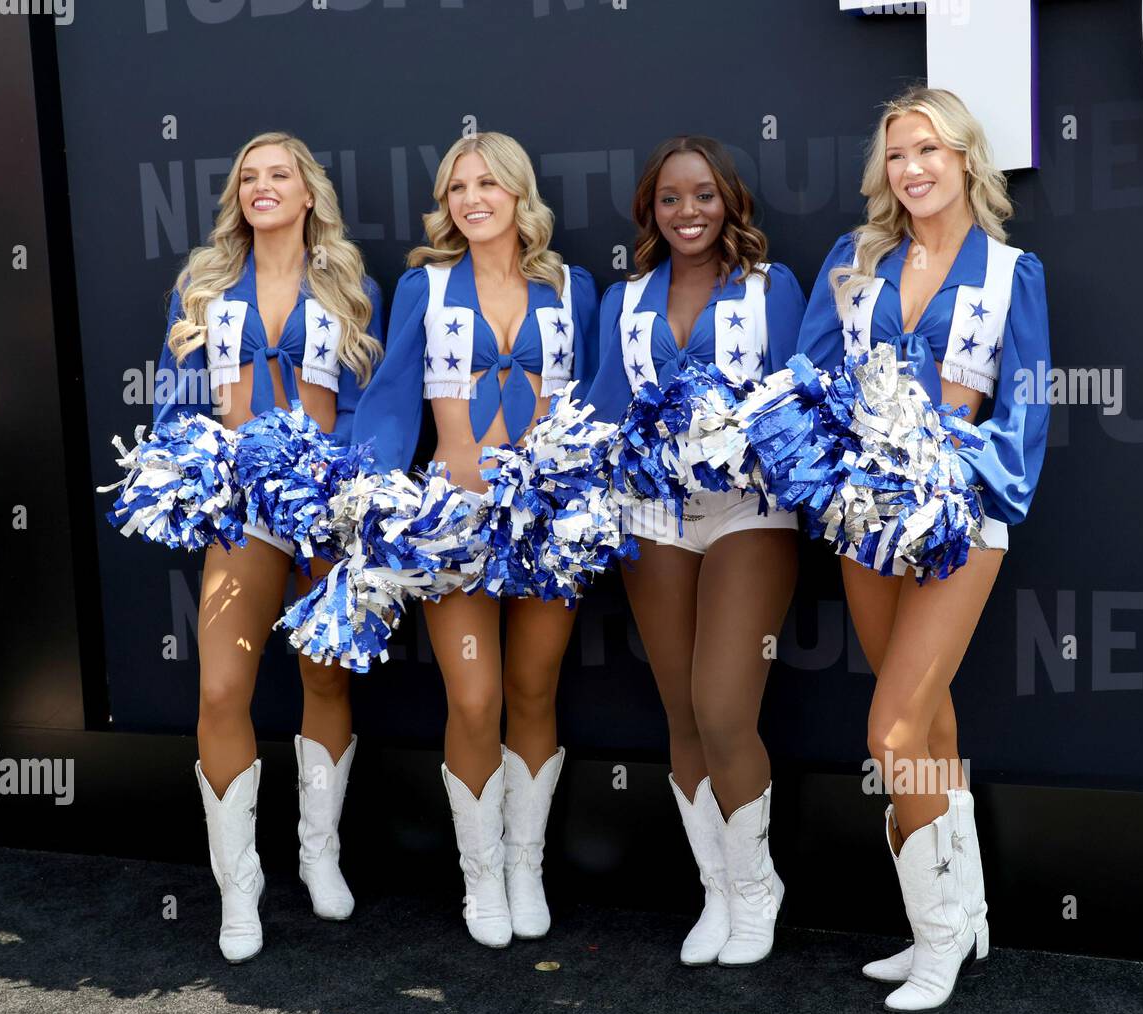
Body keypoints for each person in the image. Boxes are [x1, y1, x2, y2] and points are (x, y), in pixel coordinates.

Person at [796, 87, 1052, 1010]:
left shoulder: (1012, 274)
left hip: (959, 516)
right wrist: (841, 463)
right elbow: (808, 374)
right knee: (930, 724)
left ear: (968, 162)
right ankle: (964, 913)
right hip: (867, 518)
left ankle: (934, 940)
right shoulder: (855, 260)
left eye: (931, 150)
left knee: (891, 734)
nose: (913, 168)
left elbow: (1026, 410)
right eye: (898, 154)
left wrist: (956, 463)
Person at [351, 132, 598, 948]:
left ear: (520, 193)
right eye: (459, 187)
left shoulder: (573, 286)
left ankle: (526, 866)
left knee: (534, 694)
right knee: (474, 697)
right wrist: (375, 489)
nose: (472, 198)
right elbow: (389, 402)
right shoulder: (424, 285)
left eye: (489, 183)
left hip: (547, 522)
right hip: (453, 517)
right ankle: (481, 875)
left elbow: (598, 399)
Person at [154, 131, 383, 962]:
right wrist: (193, 462)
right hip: (243, 506)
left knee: (323, 677)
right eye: (248, 177)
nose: (262, 187)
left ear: (309, 192)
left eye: (278, 174)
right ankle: (238, 887)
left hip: (323, 504)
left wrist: (343, 484)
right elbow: (174, 400)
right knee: (222, 689)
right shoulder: (203, 285)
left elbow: (371, 402)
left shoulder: (352, 286)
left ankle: (318, 855)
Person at [585, 136, 806, 967]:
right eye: (671, 199)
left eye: (704, 196)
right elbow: (607, 405)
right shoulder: (624, 298)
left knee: (721, 705)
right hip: (654, 515)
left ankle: (758, 891)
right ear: (651, 209)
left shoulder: (770, 287)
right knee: (680, 709)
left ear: (731, 202)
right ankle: (716, 890)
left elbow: (800, 396)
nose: (688, 213)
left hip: (749, 509)